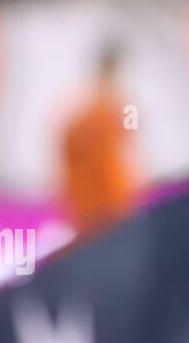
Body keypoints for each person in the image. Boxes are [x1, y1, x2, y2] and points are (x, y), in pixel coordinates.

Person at [59, 41, 139, 239]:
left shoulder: (116, 104)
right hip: (99, 198)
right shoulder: (92, 107)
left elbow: (130, 136)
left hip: (109, 196)